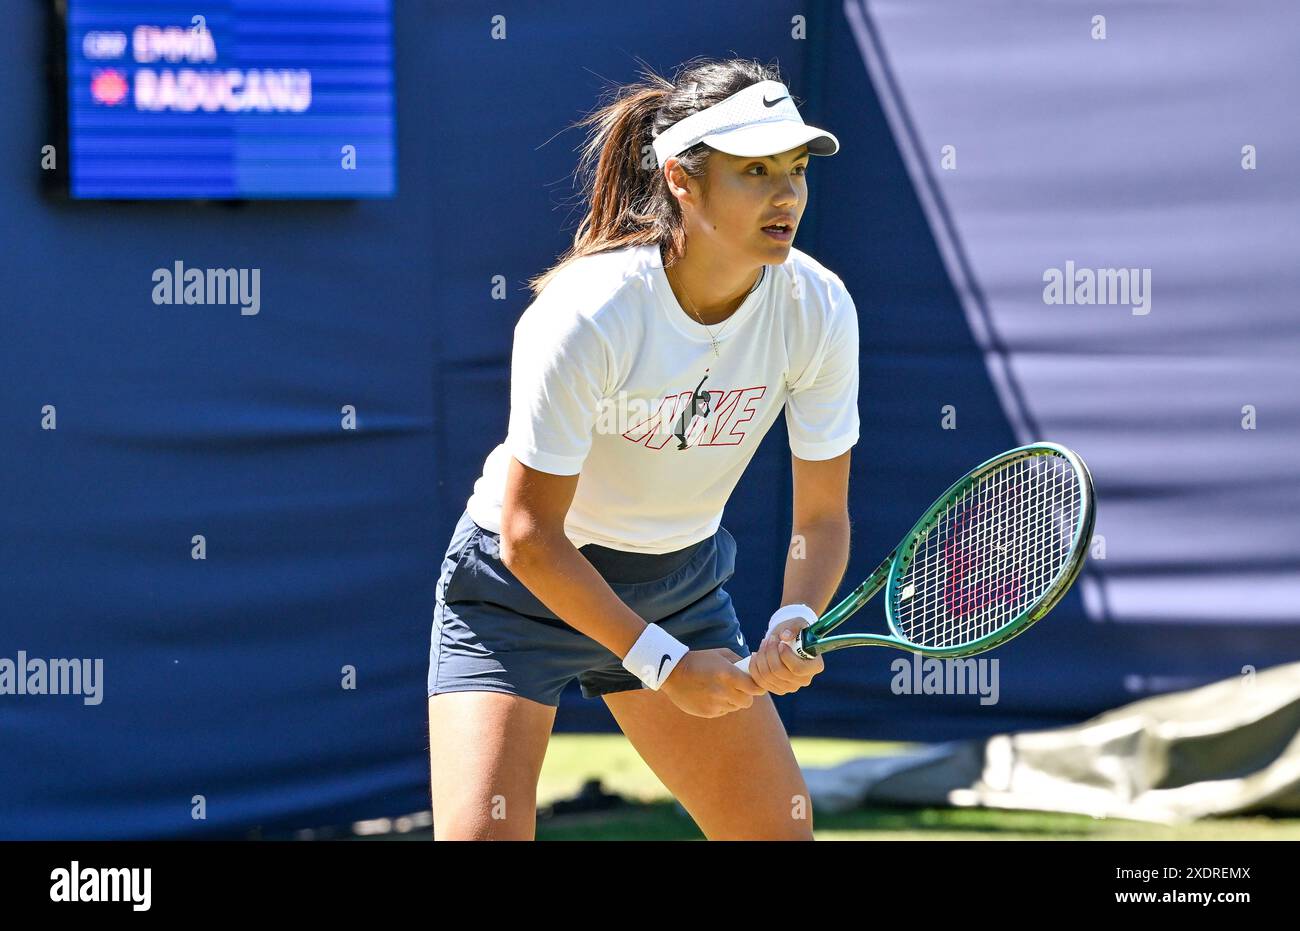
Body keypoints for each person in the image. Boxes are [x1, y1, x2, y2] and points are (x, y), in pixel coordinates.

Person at [427, 57, 859, 840]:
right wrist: (660, 664)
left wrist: (795, 616)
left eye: (795, 169)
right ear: (682, 181)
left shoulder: (819, 306)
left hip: (679, 585)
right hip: (521, 590)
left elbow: (822, 515)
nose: (787, 193)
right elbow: (530, 536)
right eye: (755, 170)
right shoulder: (588, 312)